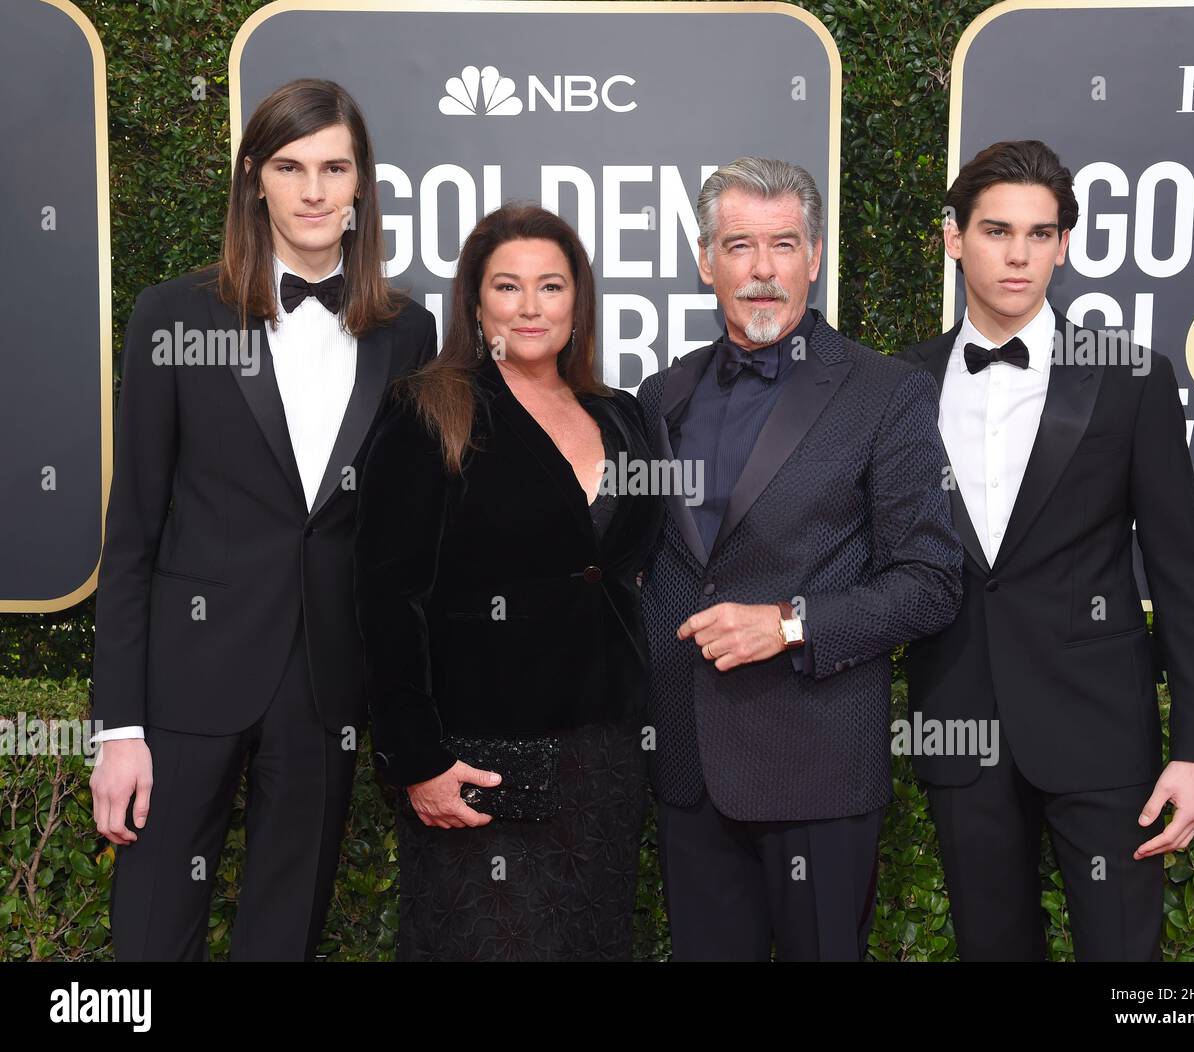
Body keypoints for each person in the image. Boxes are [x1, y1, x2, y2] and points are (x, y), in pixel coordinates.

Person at [89, 78, 437, 960]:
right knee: (152, 935)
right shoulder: (173, 314)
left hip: (326, 687)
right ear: (255, 181)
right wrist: (119, 727)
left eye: (334, 167)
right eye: (291, 166)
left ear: (361, 184)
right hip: (187, 678)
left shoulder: (407, 332)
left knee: (285, 937)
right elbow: (131, 533)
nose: (314, 190)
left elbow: (408, 545)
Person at [901, 139, 1194, 961]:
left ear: (1064, 244)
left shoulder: (1130, 378)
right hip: (960, 723)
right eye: (997, 231)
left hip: (1099, 730)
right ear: (953, 238)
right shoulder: (900, 385)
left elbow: (1184, 576)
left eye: (1041, 234)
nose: (1018, 255)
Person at [636, 156, 964, 961]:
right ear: (706, 260)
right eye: (739, 245)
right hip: (688, 766)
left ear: (815, 257)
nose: (761, 270)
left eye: (783, 244)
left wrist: (789, 623)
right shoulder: (658, 395)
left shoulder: (886, 393)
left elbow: (929, 582)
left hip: (816, 766)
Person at [354, 203, 664, 961]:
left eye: (551, 287)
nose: (530, 307)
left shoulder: (619, 415)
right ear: (475, 301)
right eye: (508, 286)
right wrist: (416, 759)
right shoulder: (431, 408)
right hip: (479, 760)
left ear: (578, 302)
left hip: (603, 760)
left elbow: (625, 575)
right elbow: (387, 598)